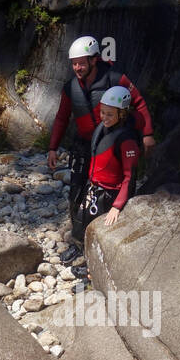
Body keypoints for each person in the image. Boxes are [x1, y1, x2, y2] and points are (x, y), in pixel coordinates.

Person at [47, 35, 154, 240]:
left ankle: (112, 234)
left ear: (94, 59)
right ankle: (79, 236)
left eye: (81, 63)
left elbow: (139, 103)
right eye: (74, 64)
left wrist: (147, 134)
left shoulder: (115, 79)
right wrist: (53, 147)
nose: (77, 68)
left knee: (111, 188)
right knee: (77, 190)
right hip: (84, 146)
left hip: (112, 144)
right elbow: (62, 118)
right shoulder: (70, 88)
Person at [72, 85, 141, 243]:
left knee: (100, 233)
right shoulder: (103, 129)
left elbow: (130, 176)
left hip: (110, 194)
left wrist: (117, 206)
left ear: (122, 114)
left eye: (110, 114)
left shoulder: (127, 139)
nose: (104, 117)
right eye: (102, 112)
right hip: (94, 189)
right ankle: (78, 250)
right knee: (78, 227)